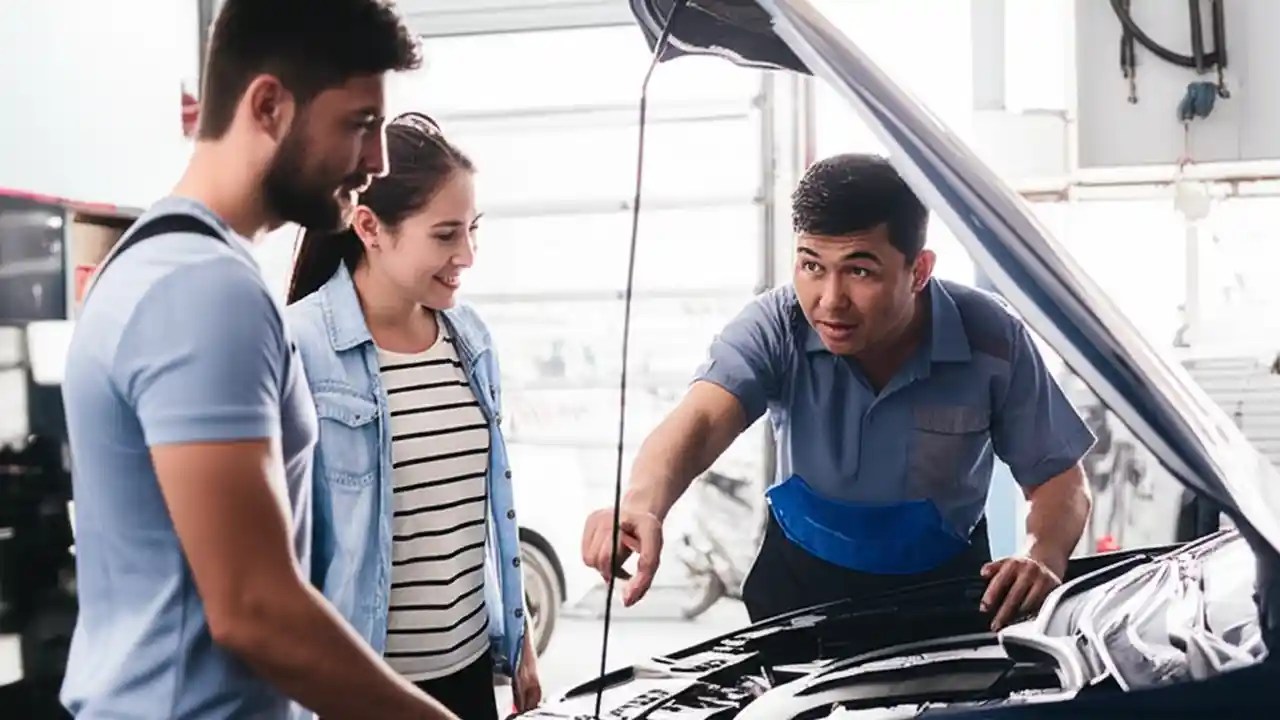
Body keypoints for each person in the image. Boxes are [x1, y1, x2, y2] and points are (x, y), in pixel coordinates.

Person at [59, 1, 460, 718]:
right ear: (269, 106)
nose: (377, 161)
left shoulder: (155, 262)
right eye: (361, 125)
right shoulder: (204, 288)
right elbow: (255, 610)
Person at [581, 153, 1095, 630]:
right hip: (798, 592)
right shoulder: (776, 325)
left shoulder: (992, 338)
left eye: (859, 270)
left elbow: (1059, 479)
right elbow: (701, 420)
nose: (830, 300)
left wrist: (1042, 554)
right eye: (811, 266)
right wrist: (642, 503)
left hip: (943, 595)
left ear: (918, 270)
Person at [285, 113, 541, 720]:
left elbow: (474, 518)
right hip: (365, 689)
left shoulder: (470, 338)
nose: (467, 255)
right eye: (446, 234)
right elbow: (284, 558)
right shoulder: (299, 345)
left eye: (473, 230)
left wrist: (520, 639)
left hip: (469, 675)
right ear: (369, 227)